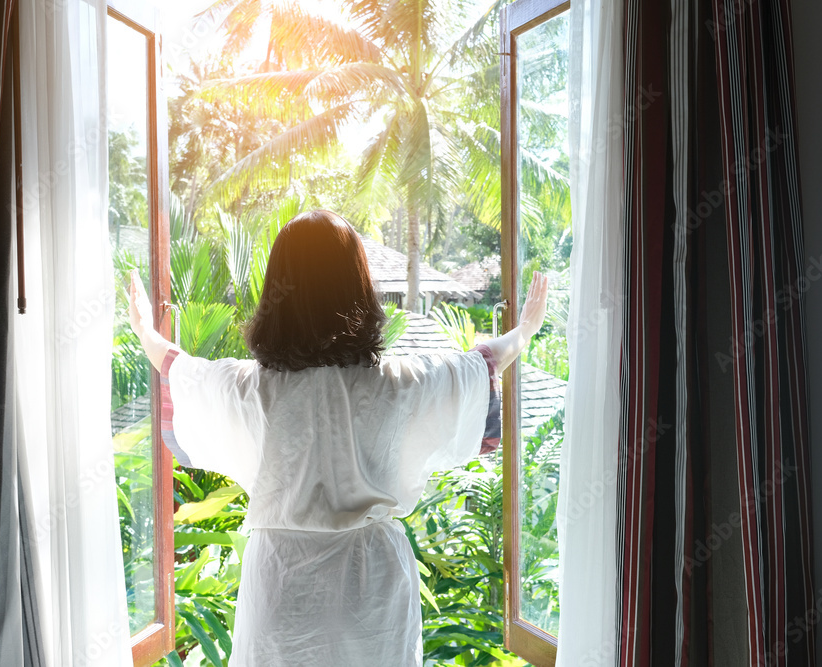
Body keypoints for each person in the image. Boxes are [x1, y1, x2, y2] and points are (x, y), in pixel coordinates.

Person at [127, 209, 549, 667]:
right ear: (360, 288)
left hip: (281, 585)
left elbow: (183, 370)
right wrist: (523, 330)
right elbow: (474, 368)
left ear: (277, 291)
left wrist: (146, 331)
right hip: (371, 590)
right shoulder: (397, 384)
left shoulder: (251, 389)